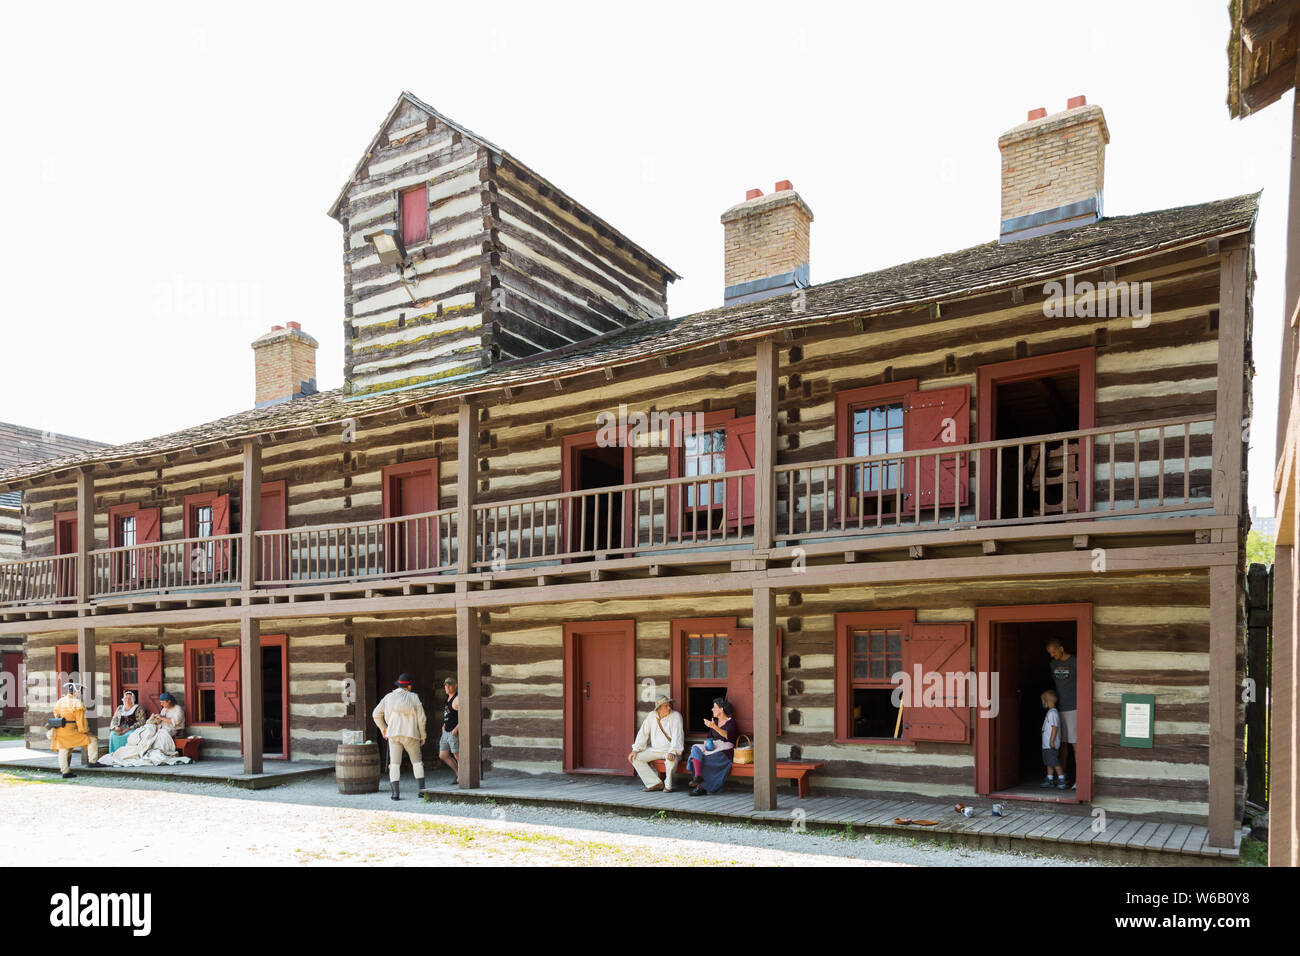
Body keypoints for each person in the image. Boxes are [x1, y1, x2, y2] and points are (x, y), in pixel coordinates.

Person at [372, 673, 427, 800]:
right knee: (417, 762)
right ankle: (422, 791)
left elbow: (375, 714)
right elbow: (421, 719)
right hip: (411, 734)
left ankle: (395, 794)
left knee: (395, 764)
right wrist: (423, 735)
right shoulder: (414, 697)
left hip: (394, 735)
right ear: (408, 686)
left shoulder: (388, 697)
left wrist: (384, 729)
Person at [627, 695, 685, 792]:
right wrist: (635, 749)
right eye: (666, 706)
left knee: (670, 760)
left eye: (669, 705)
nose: (669, 707)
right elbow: (643, 733)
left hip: (672, 751)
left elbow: (677, 736)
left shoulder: (676, 716)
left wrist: (673, 752)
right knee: (635, 758)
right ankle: (655, 783)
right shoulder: (651, 716)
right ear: (659, 708)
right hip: (655, 750)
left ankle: (668, 786)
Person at [686, 698, 738, 797]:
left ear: (721, 709)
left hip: (725, 751)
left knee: (705, 760)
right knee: (695, 749)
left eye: (714, 707)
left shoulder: (731, 722)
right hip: (714, 747)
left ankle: (701, 787)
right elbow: (710, 737)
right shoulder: (715, 721)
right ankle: (697, 776)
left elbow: (728, 736)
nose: (712, 709)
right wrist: (708, 743)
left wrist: (713, 727)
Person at [47, 682, 98, 778]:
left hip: (60, 730)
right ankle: (92, 761)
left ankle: (65, 772)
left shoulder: (60, 701)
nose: (81, 694)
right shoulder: (77, 703)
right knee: (92, 739)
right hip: (71, 730)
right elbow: (80, 721)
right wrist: (85, 731)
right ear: (76, 692)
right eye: (80, 692)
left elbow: (56, 715)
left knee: (63, 750)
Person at [1045, 638, 1077, 788]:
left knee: (1075, 743)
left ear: (1061, 648)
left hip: (1073, 707)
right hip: (1059, 708)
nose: (1052, 655)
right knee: (1061, 744)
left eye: (1054, 652)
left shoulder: (1075, 662)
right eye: (1049, 653)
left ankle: (1080, 779)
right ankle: (1062, 776)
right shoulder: (1053, 664)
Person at [1040, 689, 1067, 790]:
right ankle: (1050, 779)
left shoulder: (1053, 713)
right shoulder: (1050, 712)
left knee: (1055, 762)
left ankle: (1062, 779)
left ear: (1048, 701)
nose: (1042, 703)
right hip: (1047, 744)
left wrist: (1051, 741)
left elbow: (1055, 727)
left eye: (1043, 700)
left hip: (1051, 744)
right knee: (1049, 762)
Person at [438, 676, 460, 785]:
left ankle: (463, 776)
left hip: (452, 732)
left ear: (455, 686)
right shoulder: (448, 699)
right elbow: (449, 714)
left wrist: (456, 728)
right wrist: (443, 725)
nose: (447, 686)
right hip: (446, 731)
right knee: (443, 755)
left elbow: (464, 716)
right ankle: (458, 774)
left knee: (457, 755)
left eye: (450, 684)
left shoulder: (457, 699)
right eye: (446, 685)